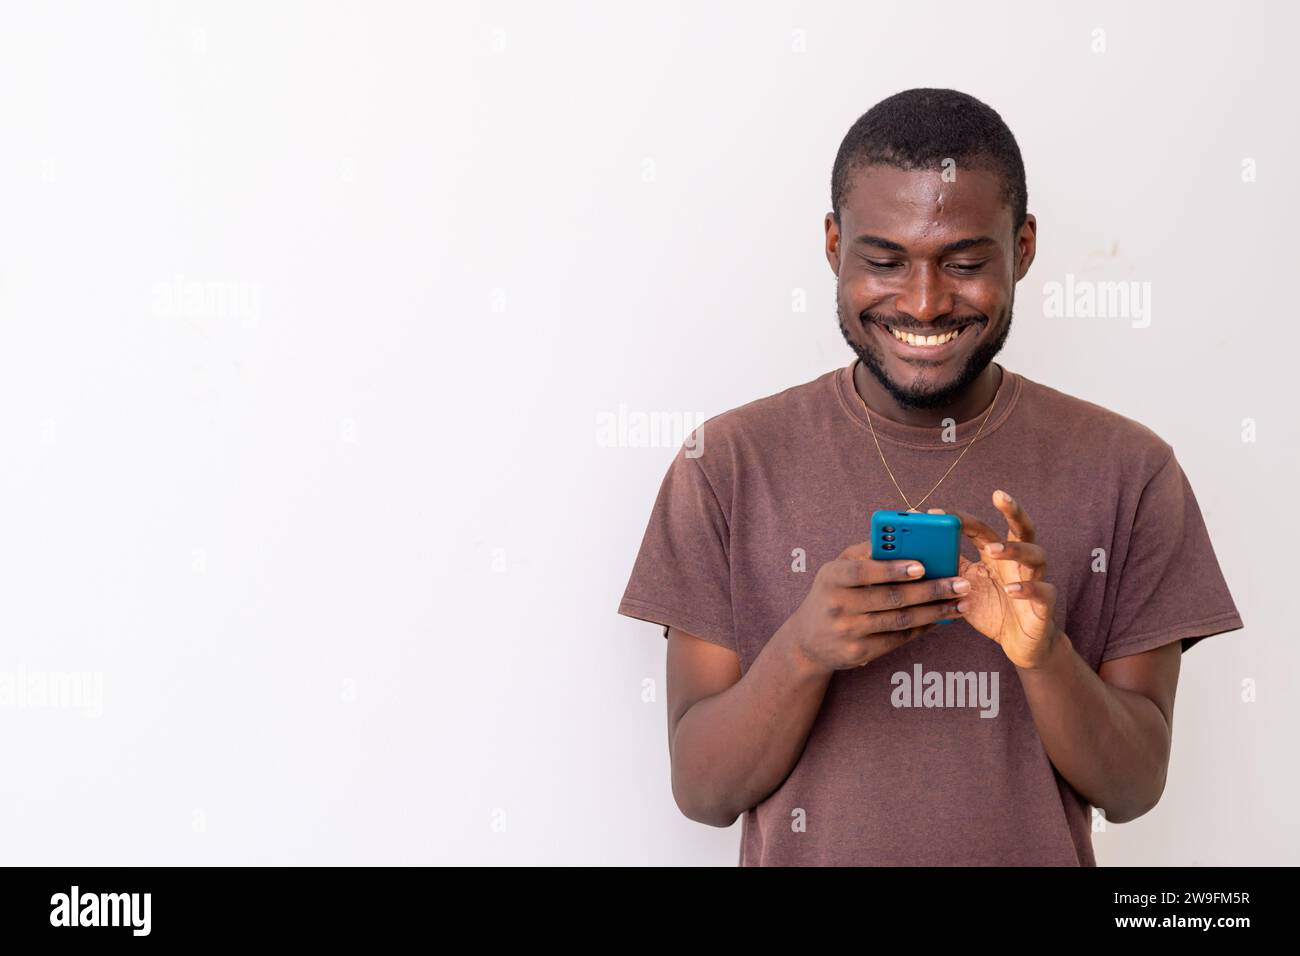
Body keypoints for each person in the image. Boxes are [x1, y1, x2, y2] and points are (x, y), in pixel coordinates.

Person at [616, 88, 1244, 866]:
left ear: (1025, 248)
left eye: (967, 262)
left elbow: (1133, 787)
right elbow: (703, 793)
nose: (923, 302)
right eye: (883, 260)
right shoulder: (725, 465)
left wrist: (1044, 655)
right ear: (831, 245)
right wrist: (805, 650)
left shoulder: (1131, 470)